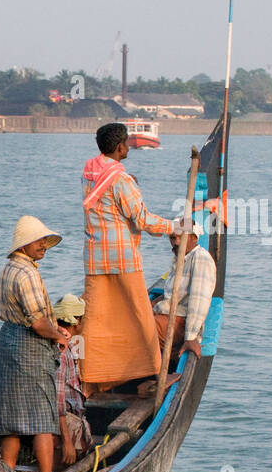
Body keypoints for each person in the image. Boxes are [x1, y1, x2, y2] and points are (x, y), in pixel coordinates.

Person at [79, 122, 192, 395]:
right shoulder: (120, 179)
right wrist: (176, 226)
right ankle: (156, 372)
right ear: (120, 147)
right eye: (126, 143)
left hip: (95, 258)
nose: (128, 146)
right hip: (123, 259)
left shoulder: (89, 173)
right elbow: (142, 219)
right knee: (140, 316)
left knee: (97, 320)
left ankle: (91, 379)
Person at [0, 215, 72, 472]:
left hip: (8, 341)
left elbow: (30, 316)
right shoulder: (28, 274)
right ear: (25, 244)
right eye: (39, 241)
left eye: (46, 241)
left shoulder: (8, 269)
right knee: (43, 419)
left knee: (11, 420)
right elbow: (37, 322)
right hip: (29, 346)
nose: (44, 245)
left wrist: (53, 327)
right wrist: (59, 335)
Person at [152, 226, 216, 368]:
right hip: (167, 317)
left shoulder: (200, 259)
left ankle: (156, 370)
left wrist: (190, 338)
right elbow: (173, 293)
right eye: (173, 238)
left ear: (194, 238)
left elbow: (198, 301)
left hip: (178, 322)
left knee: (138, 327)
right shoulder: (180, 260)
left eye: (181, 238)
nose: (176, 242)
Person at [51, 294, 92, 467]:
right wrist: (67, 441)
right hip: (63, 421)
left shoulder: (67, 342)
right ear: (77, 322)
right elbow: (57, 400)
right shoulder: (61, 350)